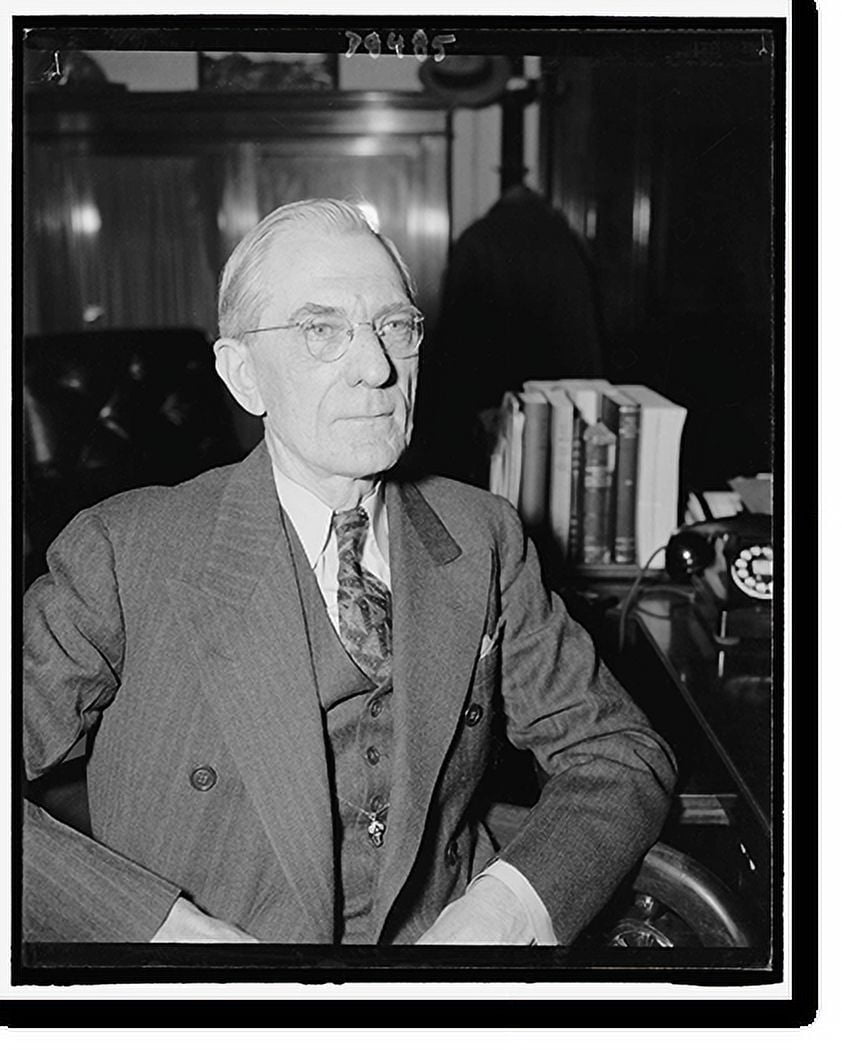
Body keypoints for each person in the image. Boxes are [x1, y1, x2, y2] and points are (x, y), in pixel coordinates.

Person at [22, 198, 676, 944]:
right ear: (243, 376)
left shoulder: (481, 534)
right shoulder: (124, 552)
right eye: (320, 330)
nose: (376, 368)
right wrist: (159, 933)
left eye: (395, 326)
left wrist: (506, 910)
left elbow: (619, 753)